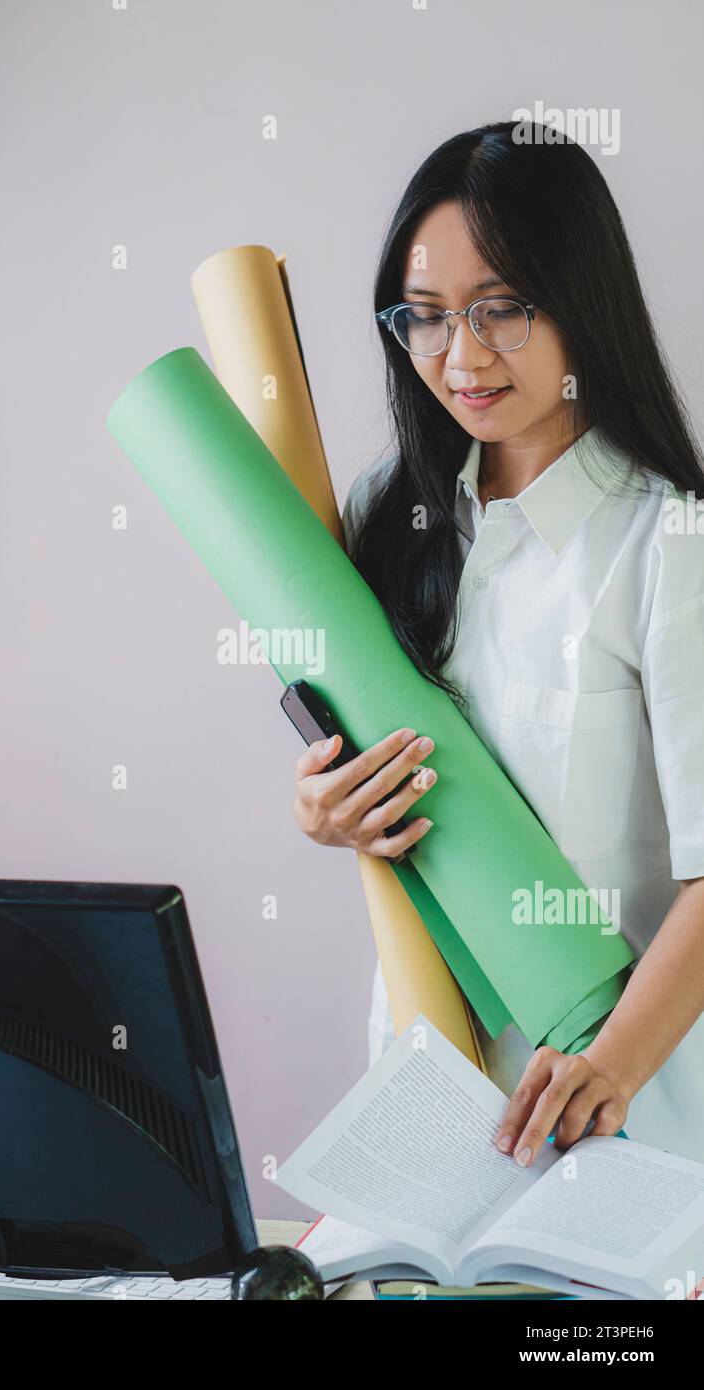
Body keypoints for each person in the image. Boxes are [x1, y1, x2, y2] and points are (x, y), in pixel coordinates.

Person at [293, 121, 704, 1169]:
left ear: (581, 301)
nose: (460, 358)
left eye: (501, 311)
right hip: (426, 1089)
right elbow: (366, 763)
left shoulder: (668, 540)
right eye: (423, 319)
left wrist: (606, 1066)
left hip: (626, 1117)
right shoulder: (387, 512)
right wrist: (325, 808)